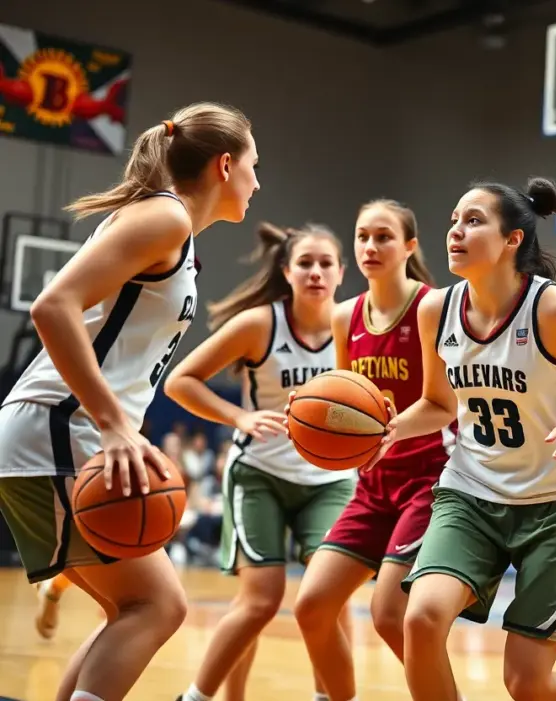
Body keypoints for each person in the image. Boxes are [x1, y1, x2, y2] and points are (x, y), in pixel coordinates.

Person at [0, 102, 258, 701]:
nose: (258, 181)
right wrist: (116, 424)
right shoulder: (164, 218)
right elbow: (51, 307)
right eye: (254, 165)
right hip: (58, 428)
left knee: (137, 609)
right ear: (225, 166)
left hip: (60, 432)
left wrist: (119, 425)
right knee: (158, 606)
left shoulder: (177, 234)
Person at [357, 177, 556, 701]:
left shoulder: (555, 309)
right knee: (418, 619)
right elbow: (440, 404)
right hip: (471, 491)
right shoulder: (435, 310)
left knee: (525, 683)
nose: (456, 232)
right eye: (453, 221)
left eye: (473, 221)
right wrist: (393, 427)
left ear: (513, 239)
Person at [165, 222, 356, 701]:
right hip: (260, 474)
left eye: (325, 263)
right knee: (259, 601)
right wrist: (240, 417)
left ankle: (329, 696)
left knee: (330, 599)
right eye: (305, 263)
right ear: (287, 271)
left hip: (331, 481)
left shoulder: (356, 327)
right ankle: (206, 698)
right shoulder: (260, 324)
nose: (315, 272)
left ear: (341, 273)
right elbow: (180, 381)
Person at [291, 199, 455, 701]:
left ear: (409, 246)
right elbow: (343, 400)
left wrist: (386, 431)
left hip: (429, 479)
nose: (370, 247)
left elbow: (441, 406)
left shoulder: (432, 306)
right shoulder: (345, 316)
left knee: (389, 615)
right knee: (312, 606)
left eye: (383, 237)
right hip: (372, 486)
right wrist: (314, 421)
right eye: (362, 236)